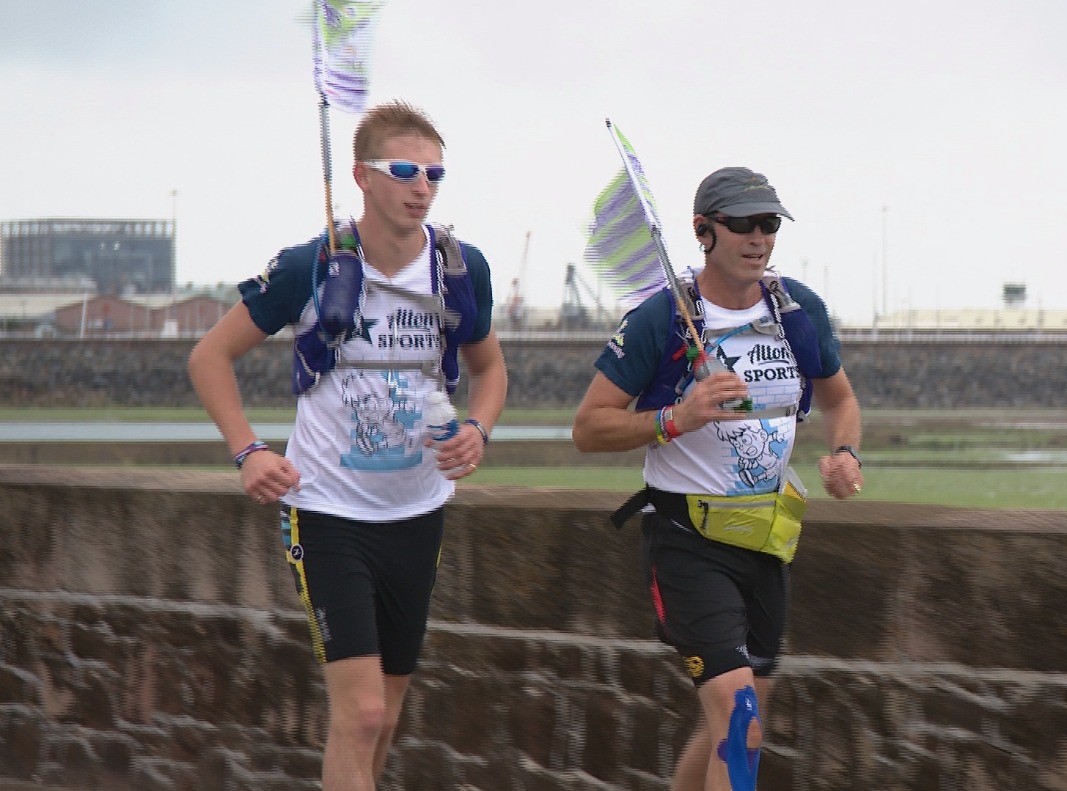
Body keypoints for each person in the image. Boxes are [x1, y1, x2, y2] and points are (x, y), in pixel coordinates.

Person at [187, 101, 508, 791]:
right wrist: (250, 451)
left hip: (418, 512)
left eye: (434, 173)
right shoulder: (313, 265)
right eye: (404, 170)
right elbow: (209, 356)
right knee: (360, 713)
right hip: (328, 512)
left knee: (385, 717)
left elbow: (491, 370)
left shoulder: (460, 269)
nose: (422, 186)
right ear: (361, 176)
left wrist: (478, 428)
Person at [572, 166, 863, 790]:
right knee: (740, 724)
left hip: (766, 540)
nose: (759, 238)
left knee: (727, 728)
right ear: (703, 230)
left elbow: (841, 401)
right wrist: (676, 418)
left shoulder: (797, 311)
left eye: (769, 224)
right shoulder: (663, 320)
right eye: (742, 225)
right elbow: (589, 427)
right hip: (687, 541)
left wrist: (845, 455)